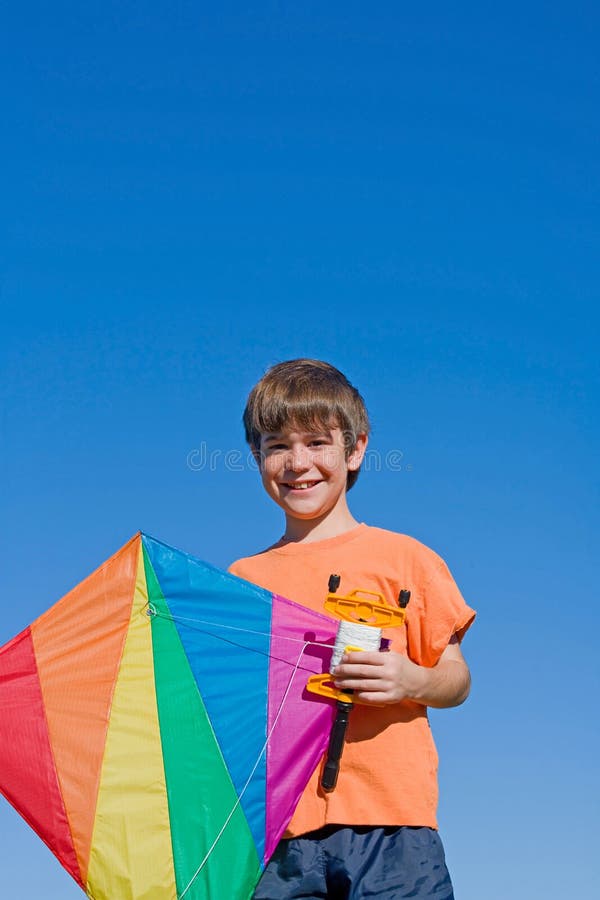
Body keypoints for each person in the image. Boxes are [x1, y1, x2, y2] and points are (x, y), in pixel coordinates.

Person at [229, 359, 475, 900]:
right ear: (256, 456)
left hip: (393, 826)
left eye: (317, 442)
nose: (297, 463)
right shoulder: (242, 581)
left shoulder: (407, 559)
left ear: (356, 449)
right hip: (278, 839)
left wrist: (411, 681)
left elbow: (456, 677)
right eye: (276, 445)